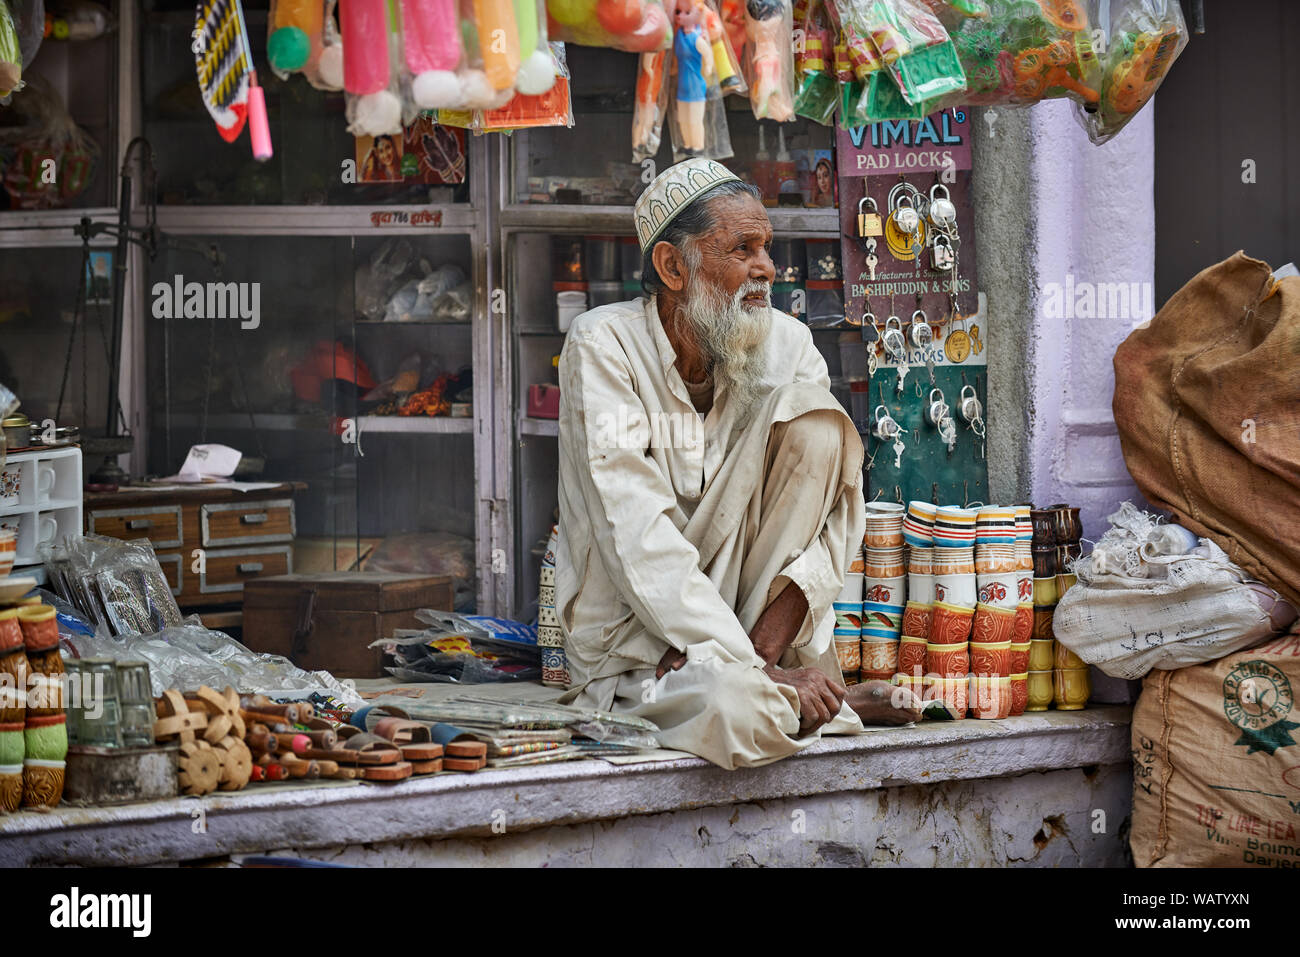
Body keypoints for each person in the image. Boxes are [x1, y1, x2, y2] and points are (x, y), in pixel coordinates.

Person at [555, 159, 922, 770]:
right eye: (743, 249)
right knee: (734, 711)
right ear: (674, 267)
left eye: (768, 249)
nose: (767, 269)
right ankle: (821, 703)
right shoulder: (603, 346)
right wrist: (733, 665)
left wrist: (758, 656)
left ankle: (778, 684)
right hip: (639, 643)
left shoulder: (786, 342)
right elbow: (633, 533)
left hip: (752, 633)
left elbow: (836, 521)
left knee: (822, 424)